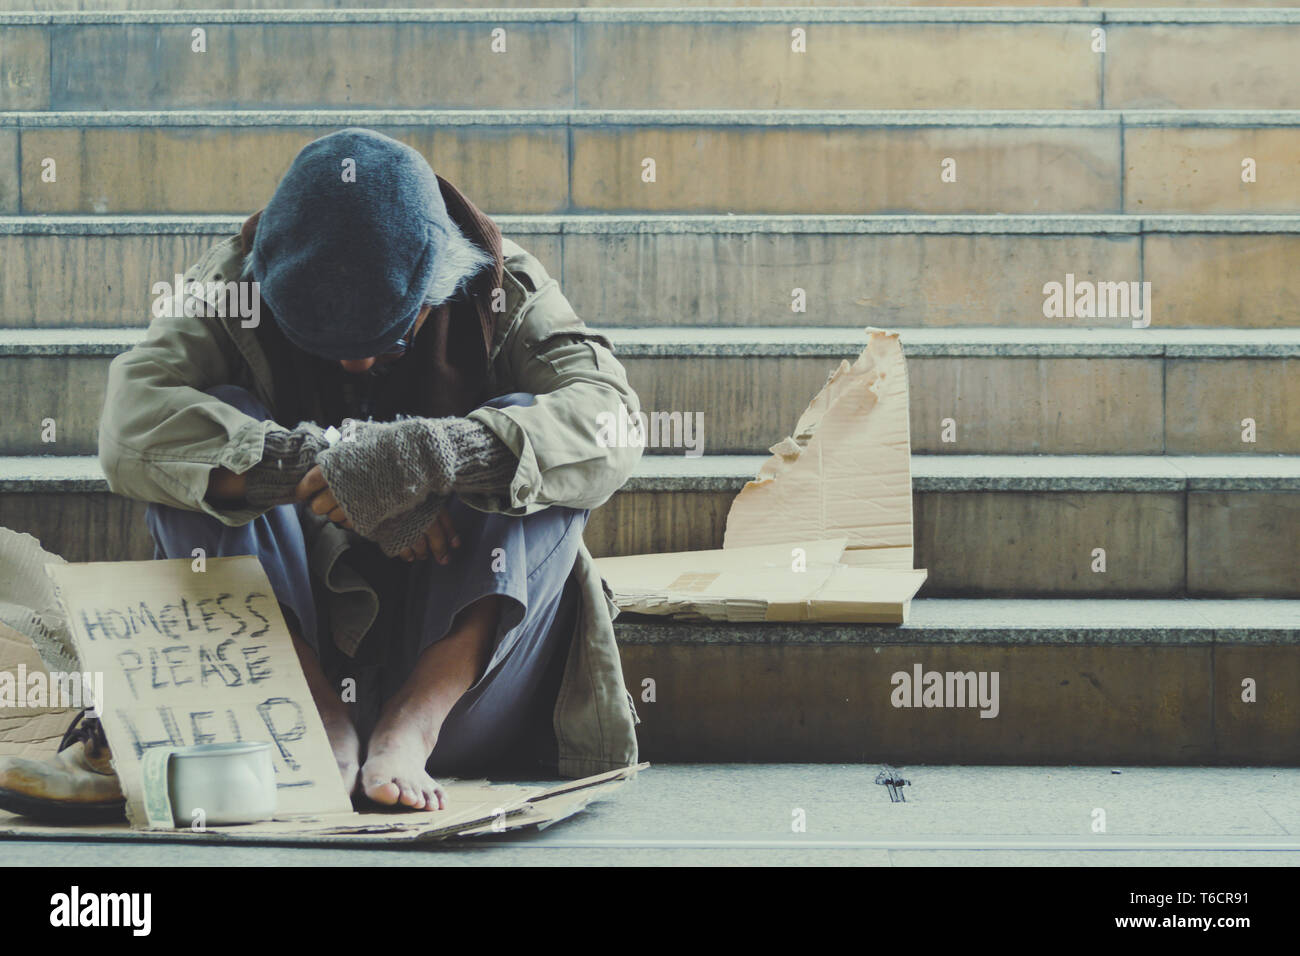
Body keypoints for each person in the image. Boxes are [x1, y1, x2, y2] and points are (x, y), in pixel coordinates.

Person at [0, 128, 641, 820]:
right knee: (204, 426)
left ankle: (409, 726)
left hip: (465, 683)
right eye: (328, 347)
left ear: (442, 279)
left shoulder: (500, 286)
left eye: (391, 338)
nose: (357, 369)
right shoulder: (233, 281)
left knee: (534, 439)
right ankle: (312, 719)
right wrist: (299, 468)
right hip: (276, 666)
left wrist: (436, 456)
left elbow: (614, 421)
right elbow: (128, 424)